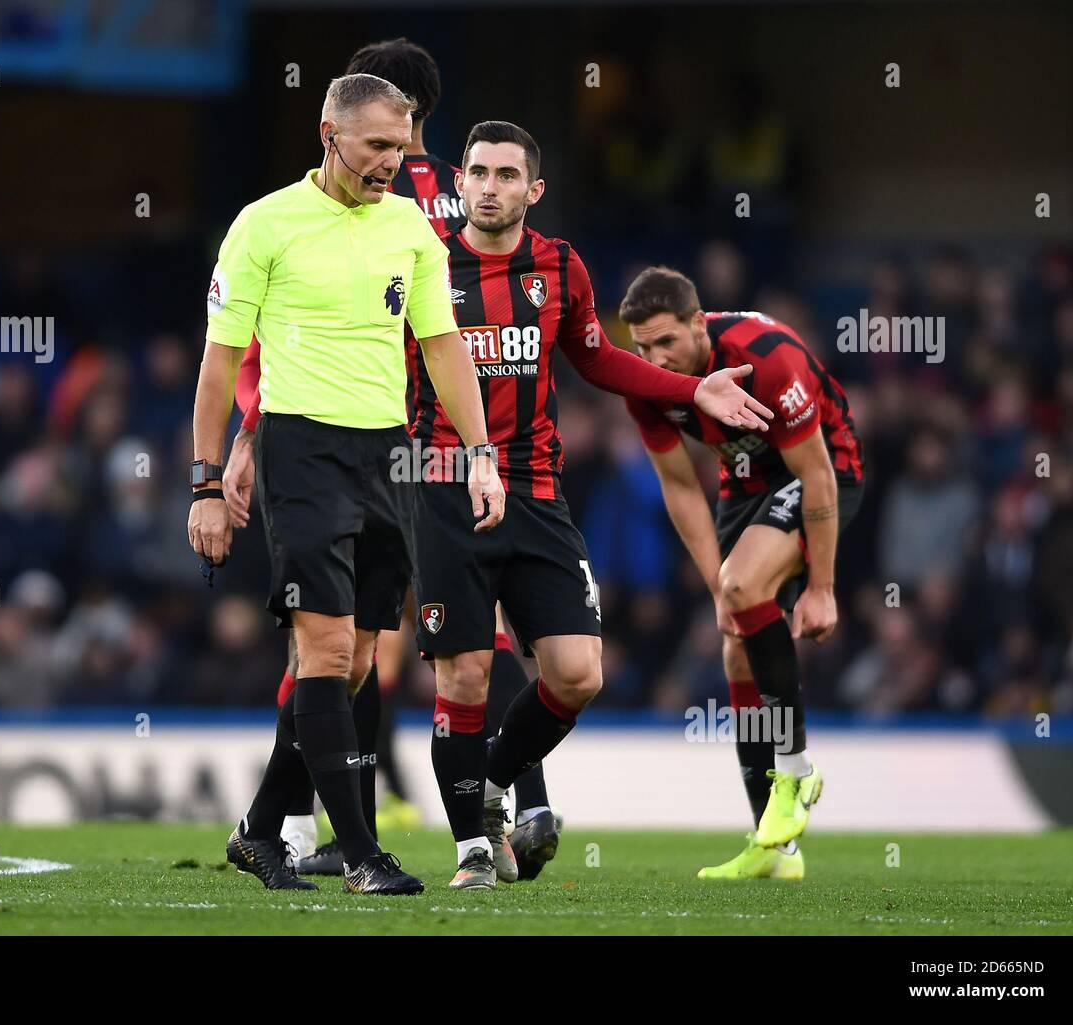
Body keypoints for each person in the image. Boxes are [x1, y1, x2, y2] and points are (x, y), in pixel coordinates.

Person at [407, 122, 774, 889]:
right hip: (443, 486)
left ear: (532, 191)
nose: (490, 185)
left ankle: (499, 783)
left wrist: (691, 387)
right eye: (478, 171)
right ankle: (473, 848)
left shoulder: (559, 265)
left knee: (578, 674)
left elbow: (598, 357)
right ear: (462, 181)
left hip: (536, 491)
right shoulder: (421, 256)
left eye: (508, 175)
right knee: (466, 674)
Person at [188, 72, 504, 895]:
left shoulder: (410, 227)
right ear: (329, 133)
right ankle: (363, 853)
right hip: (302, 453)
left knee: (359, 660)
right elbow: (221, 361)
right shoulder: (265, 224)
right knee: (324, 650)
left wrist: (480, 452)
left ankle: (258, 831)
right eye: (375, 146)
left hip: (388, 456)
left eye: (401, 147)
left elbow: (443, 347)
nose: (391, 162)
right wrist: (204, 480)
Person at [620, 266, 865, 880]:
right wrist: (715, 588)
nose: (654, 358)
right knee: (735, 645)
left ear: (700, 325)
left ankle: (800, 772)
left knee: (745, 585)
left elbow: (816, 474)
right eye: (642, 347)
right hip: (744, 485)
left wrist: (822, 588)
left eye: (666, 342)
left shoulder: (768, 356)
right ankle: (774, 848)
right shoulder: (644, 385)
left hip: (822, 472)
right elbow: (679, 487)